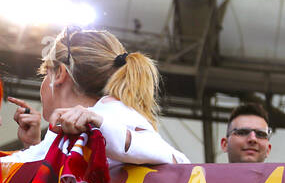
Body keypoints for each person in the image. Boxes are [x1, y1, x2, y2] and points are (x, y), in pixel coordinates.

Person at [4, 27, 189, 167]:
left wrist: (100, 124)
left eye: (45, 74)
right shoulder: (83, 123)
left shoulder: (111, 113)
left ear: (60, 74)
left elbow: (178, 161)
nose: (42, 83)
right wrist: (33, 145)